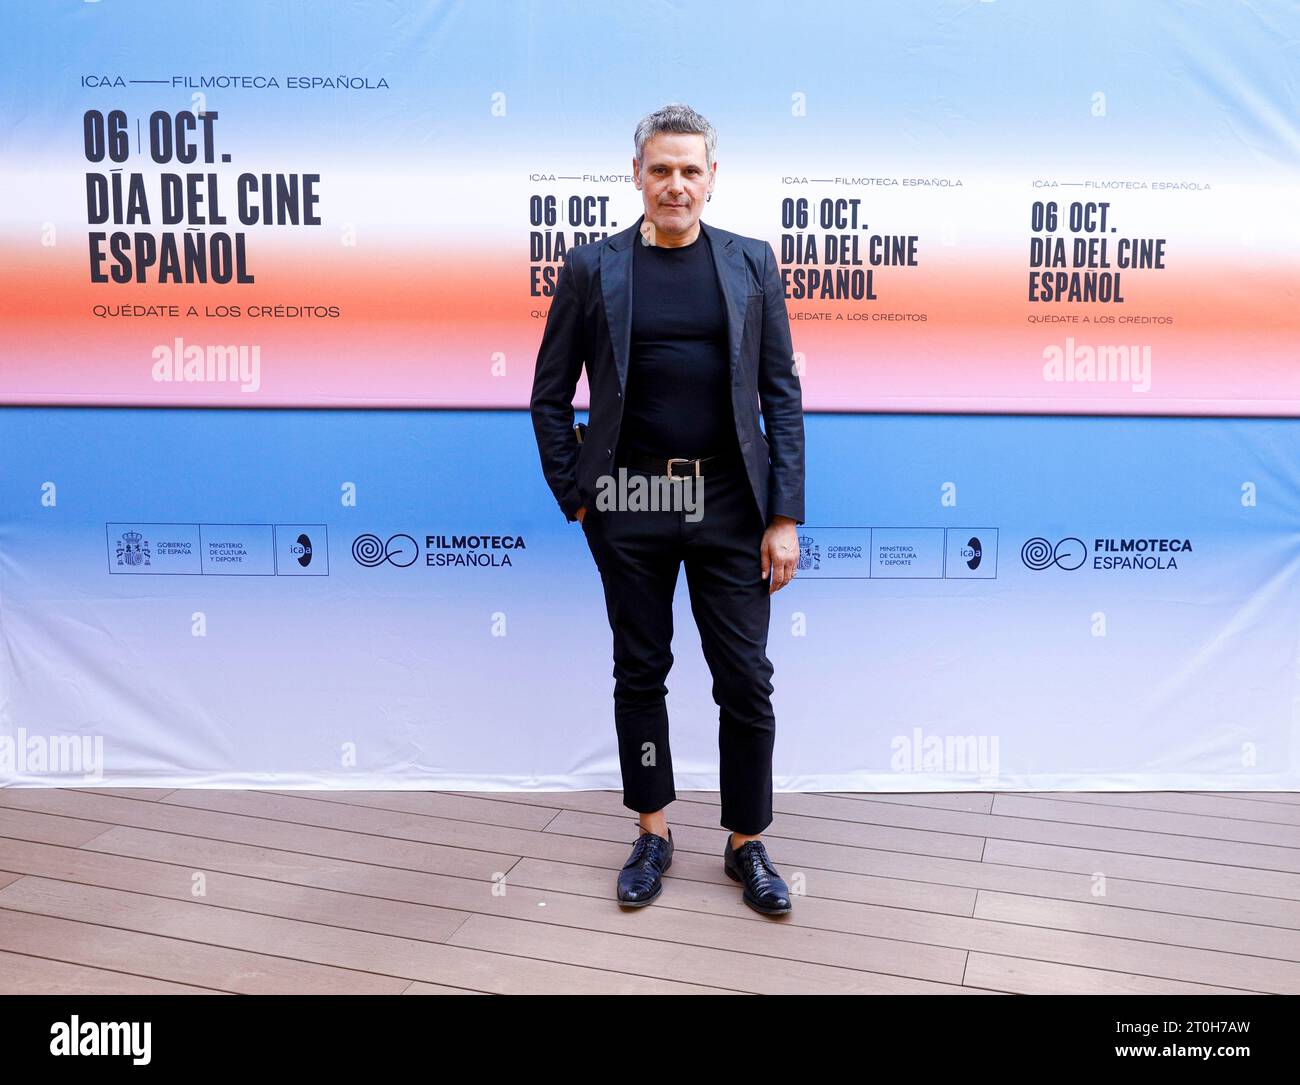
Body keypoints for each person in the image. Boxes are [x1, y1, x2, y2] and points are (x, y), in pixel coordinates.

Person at [530, 103, 805, 916]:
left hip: (730, 499)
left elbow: (780, 396)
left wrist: (783, 514)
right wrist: (577, 493)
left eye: (691, 170)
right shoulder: (592, 268)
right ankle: (653, 830)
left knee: (746, 680)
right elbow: (549, 397)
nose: (676, 184)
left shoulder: (754, 263)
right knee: (640, 671)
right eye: (661, 170)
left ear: (712, 178)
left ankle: (746, 841)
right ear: (639, 177)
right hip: (631, 499)